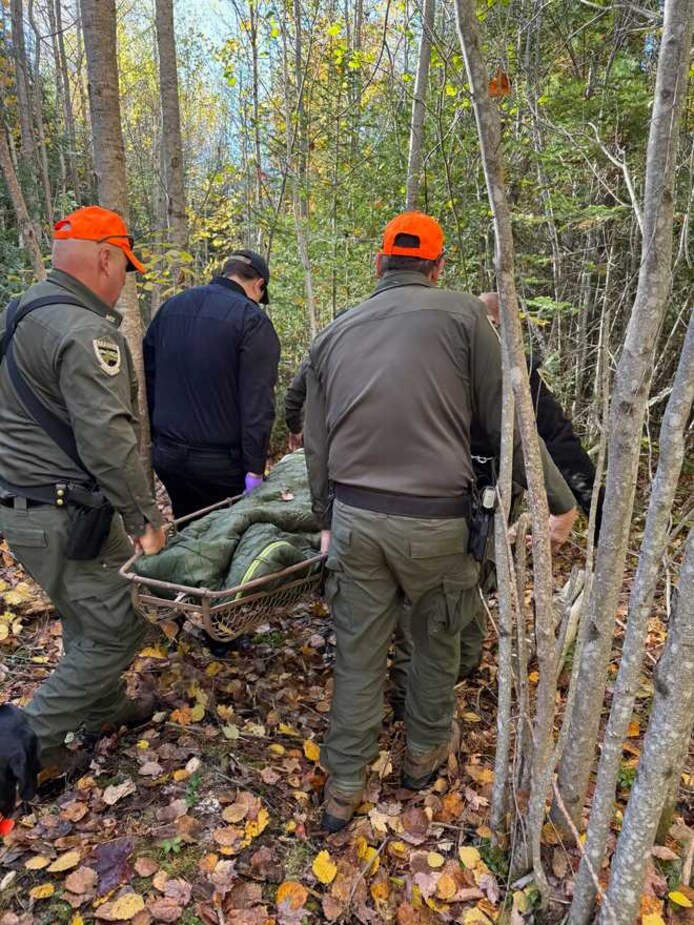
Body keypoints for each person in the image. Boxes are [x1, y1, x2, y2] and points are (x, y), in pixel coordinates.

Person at [303, 211, 577, 832]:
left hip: (355, 521)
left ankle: (343, 788)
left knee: (358, 655)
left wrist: (326, 517)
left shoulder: (333, 333)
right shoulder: (464, 318)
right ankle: (422, 760)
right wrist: (555, 500)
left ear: (379, 263)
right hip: (438, 525)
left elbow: (315, 444)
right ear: (436, 265)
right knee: (435, 643)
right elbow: (508, 419)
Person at [0, 205, 167, 802]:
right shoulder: (85, 331)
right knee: (121, 624)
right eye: (125, 266)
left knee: (87, 610)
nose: (125, 280)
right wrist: (144, 519)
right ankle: (22, 749)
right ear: (104, 257)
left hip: (27, 507)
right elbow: (108, 440)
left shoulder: (20, 311)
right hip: (66, 513)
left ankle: (103, 708)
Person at [144, 250, 281, 520]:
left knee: (189, 529)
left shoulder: (171, 308)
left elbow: (149, 376)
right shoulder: (251, 320)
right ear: (259, 285)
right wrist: (255, 470)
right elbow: (258, 402)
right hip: (220, 466)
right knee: (225, 540)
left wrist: (156, 438)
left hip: (168, 457)